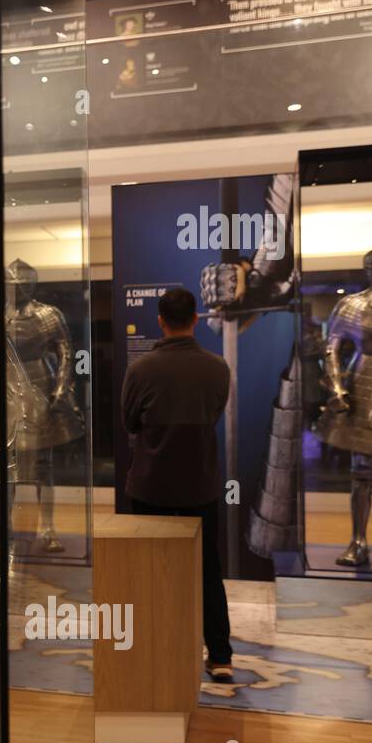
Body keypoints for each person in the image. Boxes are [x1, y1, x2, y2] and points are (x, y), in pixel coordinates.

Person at [121, 287, 235, 682]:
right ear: (196, 319)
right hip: (199, 485)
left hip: (150, 485)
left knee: (151, 570)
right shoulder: (218, 367)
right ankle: (220, 655)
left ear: (160, 320)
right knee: (208, 571)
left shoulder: (141, 369)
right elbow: (214, 413)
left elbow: (130, 422)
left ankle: (155, 645)